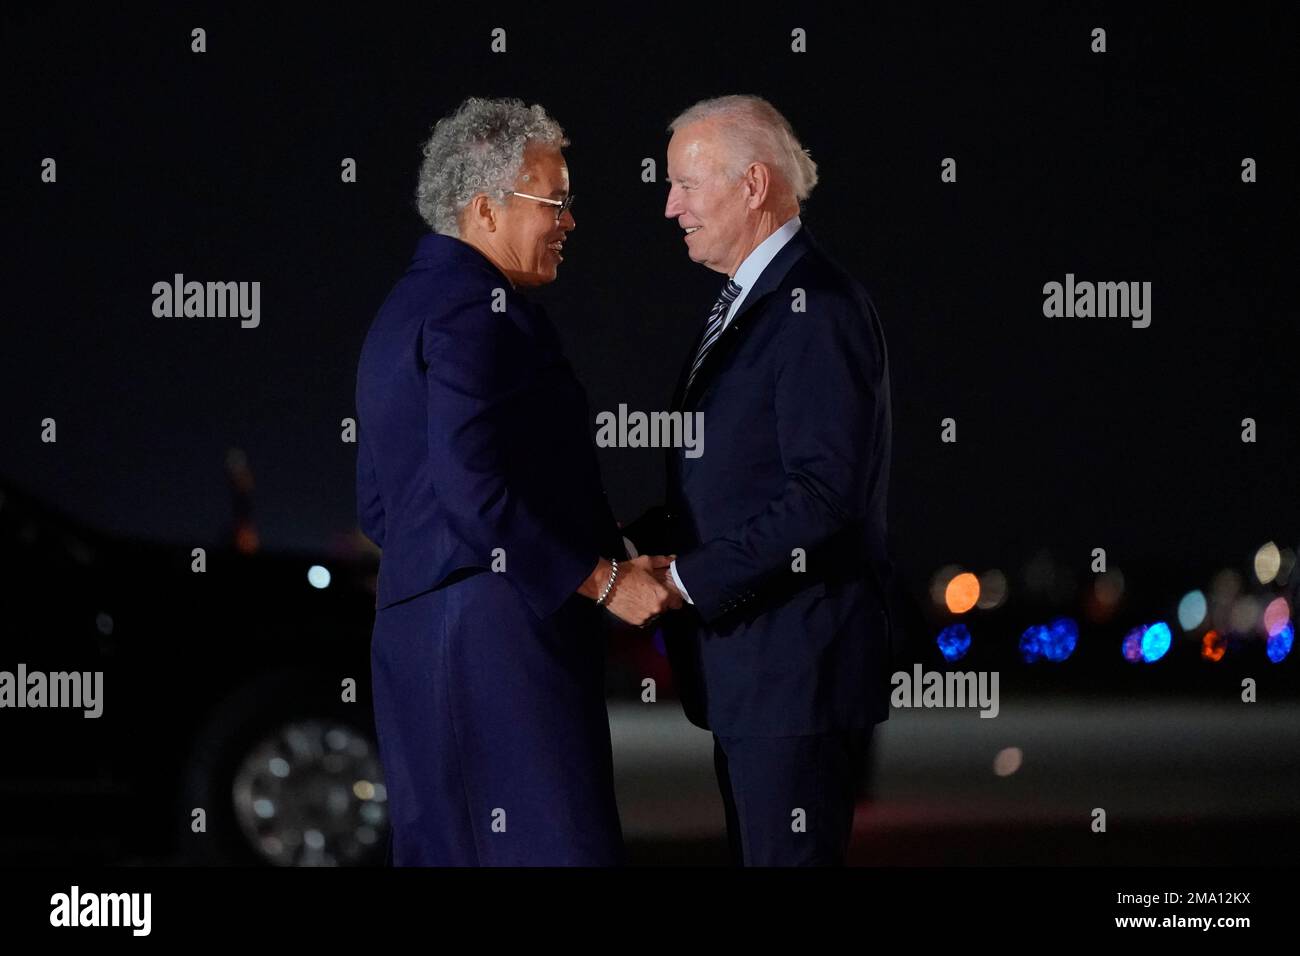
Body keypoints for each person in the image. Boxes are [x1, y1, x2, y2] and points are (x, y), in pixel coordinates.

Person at [354, 96, 680, 866]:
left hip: (412, 641)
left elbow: (381, 505)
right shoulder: (480, 308)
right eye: (556, 202)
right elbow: (475, 493)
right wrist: (603, 582)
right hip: (501, 647)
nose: (570, 221)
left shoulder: (398, 315)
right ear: (484, 209)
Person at [625, 94, 895, 866]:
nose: (670, 206)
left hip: (795, 676)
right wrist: (624, 545)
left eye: (685, 183)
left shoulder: (815, 308)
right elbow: (728, 484)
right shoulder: (753, 303)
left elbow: (823, 497)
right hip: (756, 676)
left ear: (752, 185)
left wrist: (679, 582)